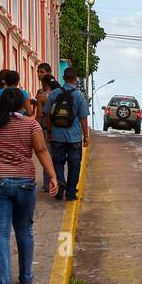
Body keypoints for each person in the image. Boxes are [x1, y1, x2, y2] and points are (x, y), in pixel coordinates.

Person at [0, 87, 58, 284]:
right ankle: (26, 276)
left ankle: (0, 283)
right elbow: (41, 151)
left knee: (0, 231)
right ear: (22, 104)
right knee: (24, 229)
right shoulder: (31, 124)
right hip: (24, 183)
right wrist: (53, 176)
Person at [44, 67, 90, 202]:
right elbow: (83, 118)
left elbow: (47, 114)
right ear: (76, 79)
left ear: (63, 78)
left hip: (57, 135)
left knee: (57, 162)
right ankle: (70, 193)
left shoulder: (54, 94)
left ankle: (60, 182)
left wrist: (49, 131)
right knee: (74, 165)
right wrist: (85, 136)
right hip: (74, 137)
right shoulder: (79, 96)